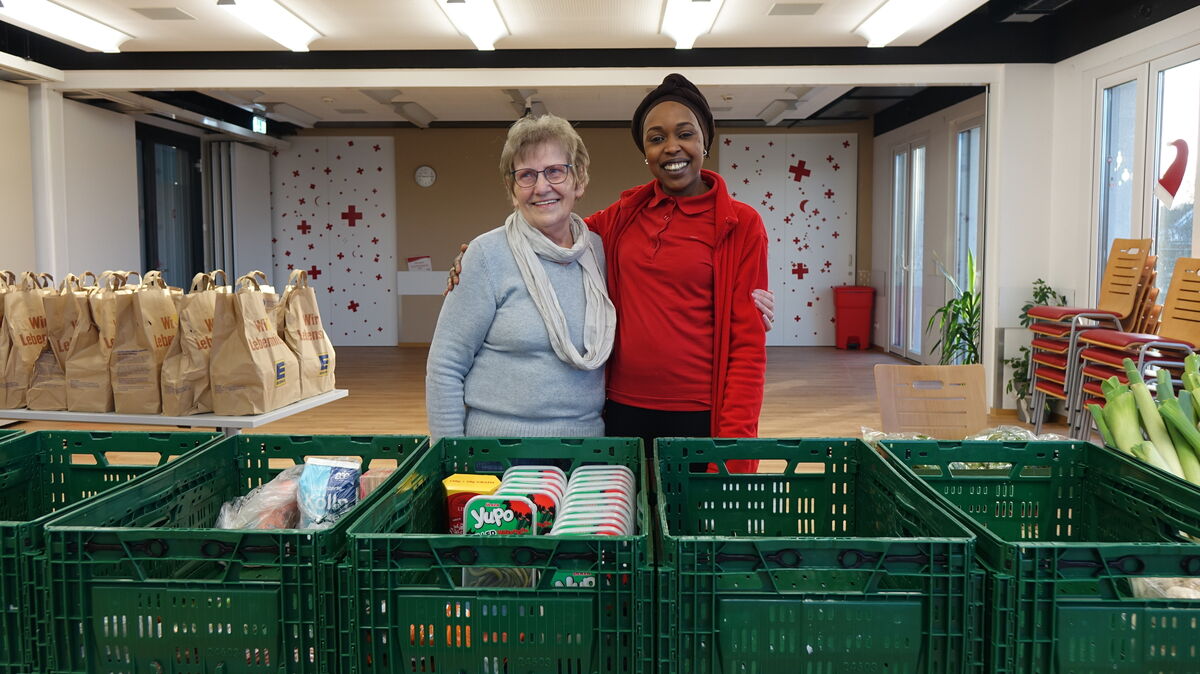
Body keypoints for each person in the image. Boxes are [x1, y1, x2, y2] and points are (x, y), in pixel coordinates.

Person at [447, 75, 770, 467]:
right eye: (656, 138)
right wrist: (474, 254)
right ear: (645, 152)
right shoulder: (623, 217)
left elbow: (746, 350)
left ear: (705, 141)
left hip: (699, 413)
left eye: (685, 134)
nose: (672, 147)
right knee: (627, 517)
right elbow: (556, 230)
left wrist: (738, 456)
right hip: (619, 410)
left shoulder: (741, 224)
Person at [425, 114, 614, 442]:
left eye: (555, 171)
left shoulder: (601, 253)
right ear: (512, 191)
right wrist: (449, 458)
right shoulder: (486, 255)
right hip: (496, 451)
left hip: (588, 449)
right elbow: (445, 367)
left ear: (579, 179)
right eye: (526, 175)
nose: (542, 187)